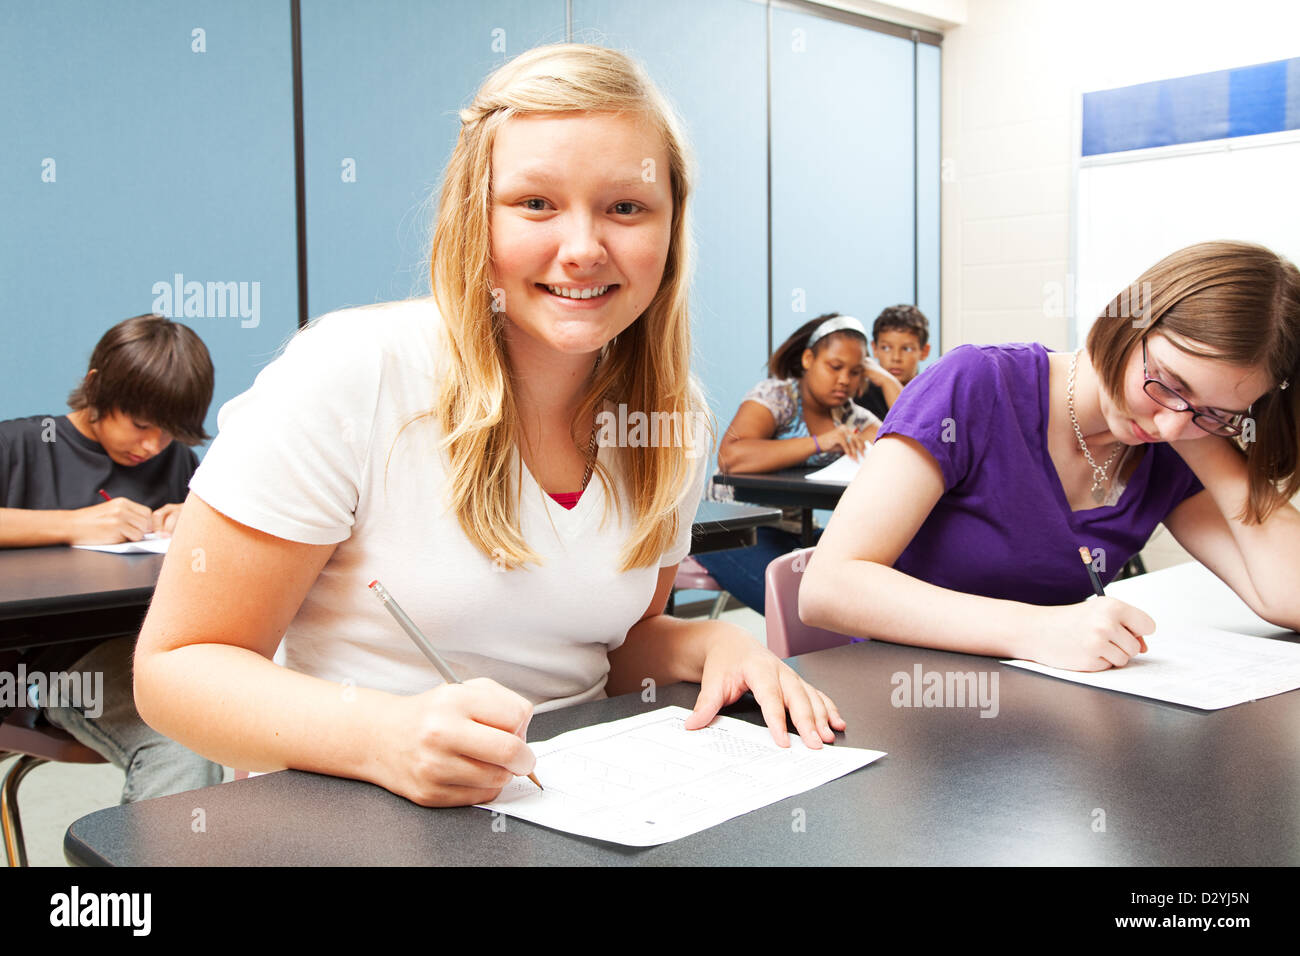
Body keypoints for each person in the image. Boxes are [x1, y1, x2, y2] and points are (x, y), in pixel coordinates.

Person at [133, 43, 845, 810]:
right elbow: (176, 669)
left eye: (626, 207)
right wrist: (382, 737)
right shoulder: (349, 372)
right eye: (536, 204)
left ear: (671, 230)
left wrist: (709, 641)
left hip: (574, 808)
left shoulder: (671, 420)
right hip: (347, 814)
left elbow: (613, 647)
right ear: (476, 215)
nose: (581, 250)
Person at [802, 240, 1300, 672]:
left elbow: (1289, 597)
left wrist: (1206, 435)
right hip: (905, 703)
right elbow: (828, 587)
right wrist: (1037, 629)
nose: (1167, 423)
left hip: (1045, 720)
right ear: (1129, 320)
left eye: (1215, 411)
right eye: (1168, 382)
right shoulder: (977, 384)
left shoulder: (1175, 443)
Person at [0, 313, 223, 802]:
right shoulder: (21, 445)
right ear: (95, 387)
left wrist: (199, 524)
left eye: (169, 433)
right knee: (180, 742)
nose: (152, 445)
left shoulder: (177, 462)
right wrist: (72, 524)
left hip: (159, 650)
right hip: (57, 664)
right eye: (141, 424)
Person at [697, 313, 882, 614]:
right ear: (808, 359)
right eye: (835, 367)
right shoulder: (777, 396)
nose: (845, 380)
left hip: (797, 527)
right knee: (798, 609)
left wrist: (885, 379)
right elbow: (732, 458)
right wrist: (821, 441)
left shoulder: (852, 416)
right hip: (729, 527)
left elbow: (897, 450)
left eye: (856, 372)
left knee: (868, 579)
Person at [855, 304, 932, 420]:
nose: (896, 358)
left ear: (924, 351)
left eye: (907, 349)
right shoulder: (862, 394)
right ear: (874, 349)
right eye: (886, 348)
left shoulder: (933, 394)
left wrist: (888, 381)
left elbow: (913, 428)